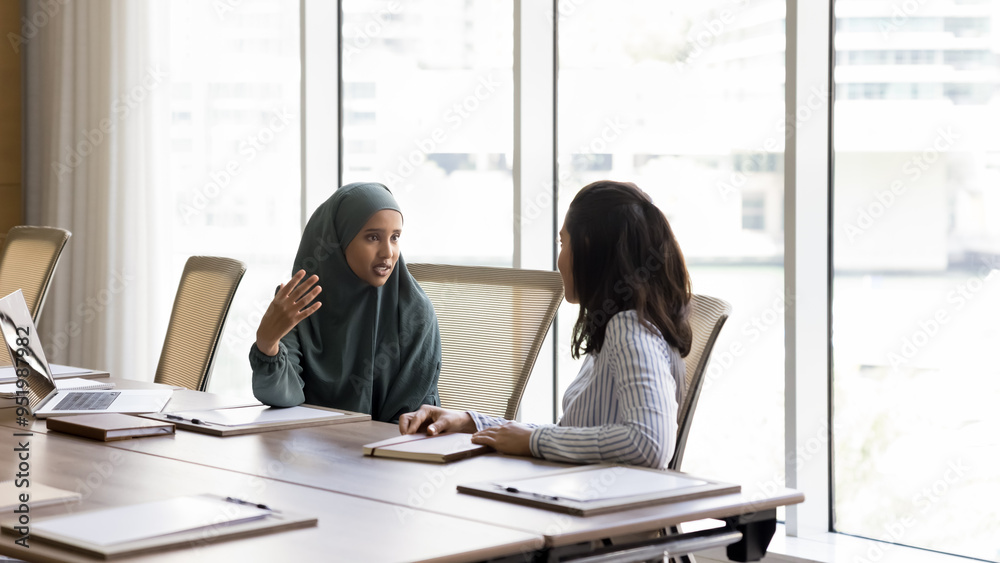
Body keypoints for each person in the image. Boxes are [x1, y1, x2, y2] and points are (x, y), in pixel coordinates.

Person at [399, 180, 691, 469]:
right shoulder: (625, 325)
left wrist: (533, 440)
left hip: (612, 509)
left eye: (564, 243)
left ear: (590, 249)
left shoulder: (628, 328)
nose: (559, 258)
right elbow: (575, 435)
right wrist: (469, 421)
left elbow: (650, 443)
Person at [250, 182, 441, 423]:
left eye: (395, 238)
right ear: (336, 241)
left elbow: (407, 422)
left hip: (388, 453)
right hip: (309, 452)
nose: (388, 252)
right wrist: (267, 344)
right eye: (373, 237)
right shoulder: (299, 304)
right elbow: (282, 397)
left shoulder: (415, 313)